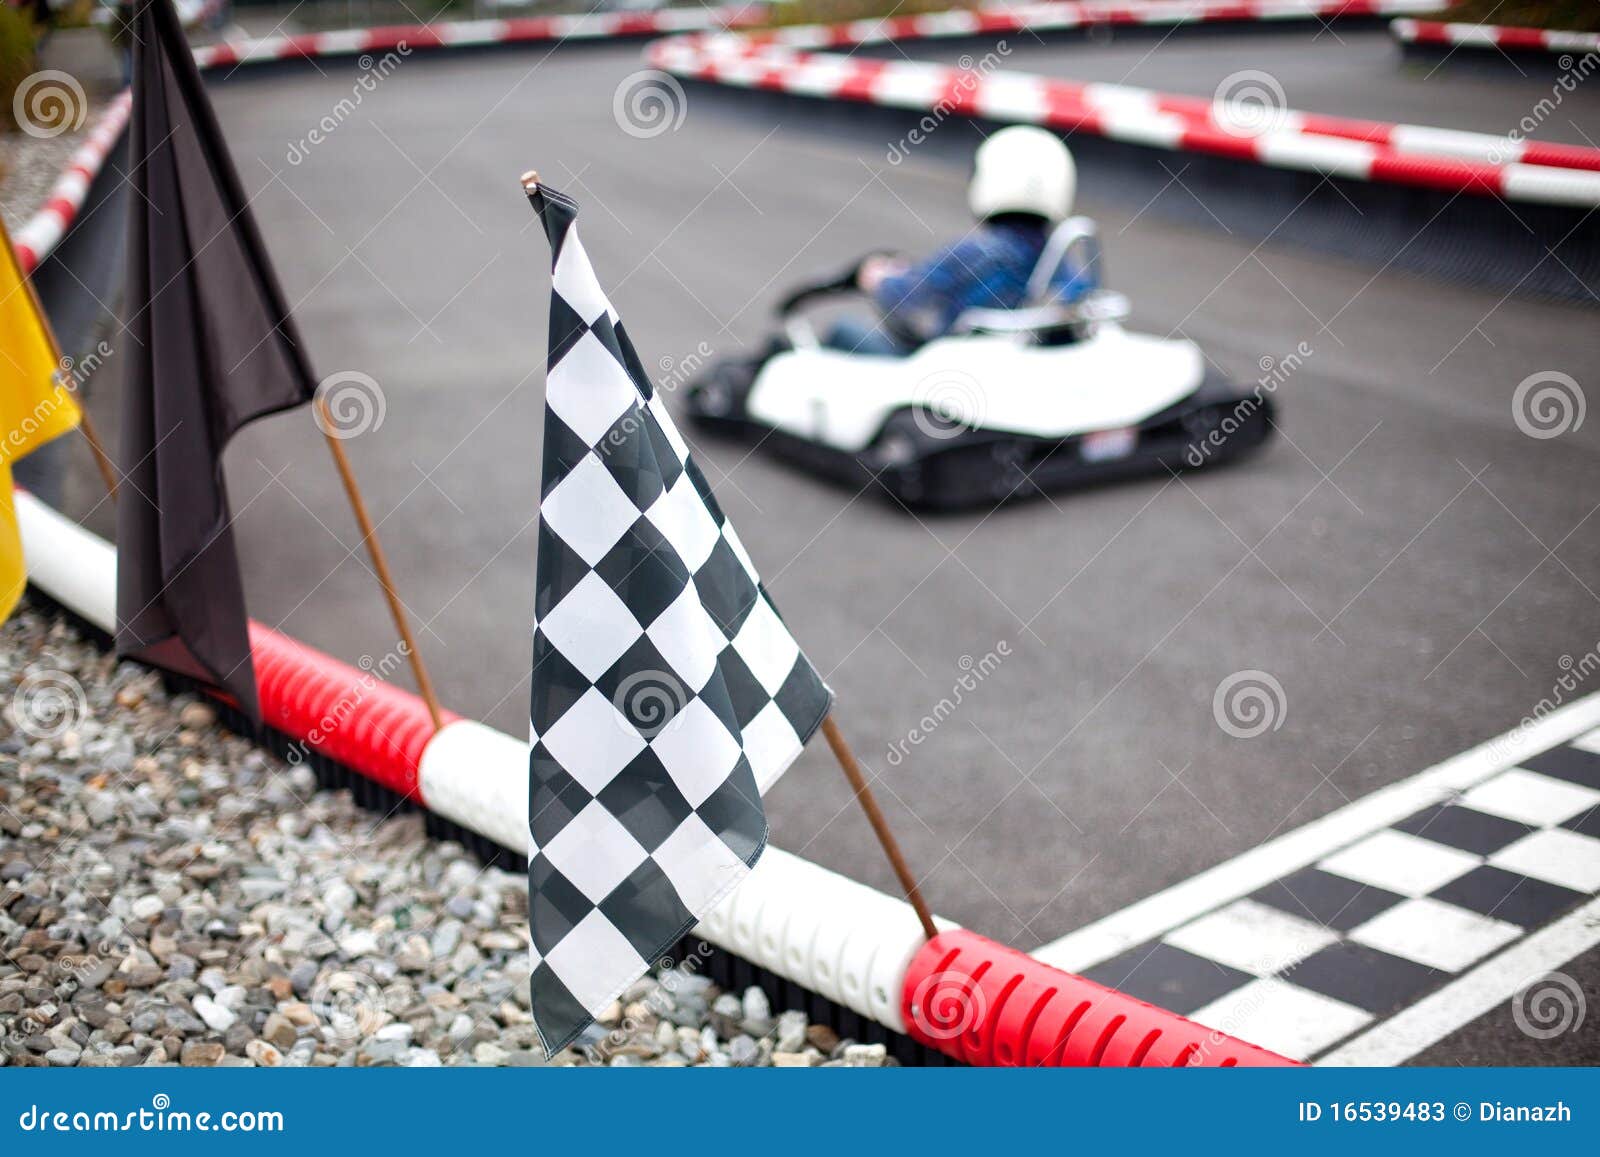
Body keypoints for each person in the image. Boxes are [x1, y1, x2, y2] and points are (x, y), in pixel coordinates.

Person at [828, 126, 1095, 356]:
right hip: (1017, 368)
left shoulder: (974, 253)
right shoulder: (1059, 261)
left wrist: (876, 277)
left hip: (951, 373)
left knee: (842, 330)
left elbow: (906, 299)